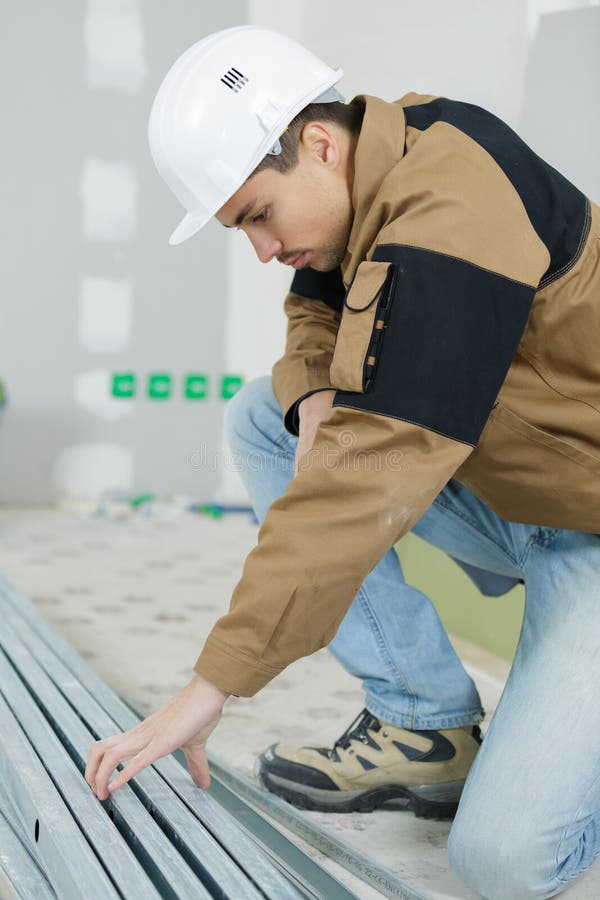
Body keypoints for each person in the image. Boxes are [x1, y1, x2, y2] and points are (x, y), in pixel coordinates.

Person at [85, 25, 600, 899]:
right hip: (523, 497)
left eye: (258, 215)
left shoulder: (451, 206)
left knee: (505, 864)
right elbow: (315, 311)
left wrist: (210, 688)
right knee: (267, 416)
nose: (261, 248)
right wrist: (315, 392)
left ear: (318, 145)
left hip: (587, 522)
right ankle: (426, 726)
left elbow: (366, 481)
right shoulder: (372, 173)